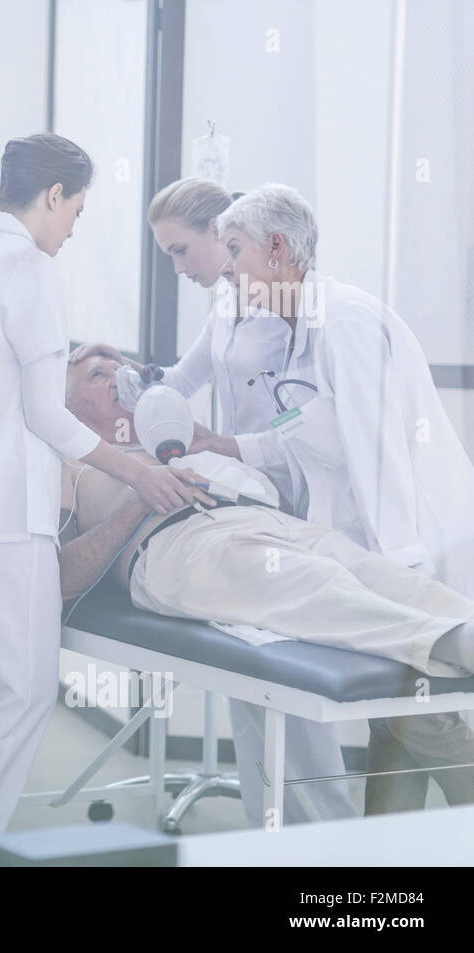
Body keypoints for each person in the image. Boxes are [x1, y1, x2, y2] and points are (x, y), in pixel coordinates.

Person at [0, 133, 204, 829]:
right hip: (8, 515)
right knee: (18, 694)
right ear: (53, 195)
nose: (75, 228)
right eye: (76, 210)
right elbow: (45, 411)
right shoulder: (32, 268)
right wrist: (138, 471)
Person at [61, 352, 474, 821]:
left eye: (122, 366)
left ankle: (460, 627)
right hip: (183, 544)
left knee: (382, 576)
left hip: (269, 522)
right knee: (314, 585)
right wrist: (141, 500)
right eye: (97, 373)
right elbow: (62, 578)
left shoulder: (174, 438)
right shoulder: (69, 467)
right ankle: (453, 642)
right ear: (66, 407)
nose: (118, 375)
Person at [70, 177, 353, 824]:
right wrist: (121, 377)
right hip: (246, 489)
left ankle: (331, 827)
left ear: (216, 234)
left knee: (294, 676)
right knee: (248, 689)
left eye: (180, 251)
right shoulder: (225, 310)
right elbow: (177, 381)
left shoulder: (290, 308)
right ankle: (266, 830)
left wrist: (231, 444)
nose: (178, 267)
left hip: (296, 490)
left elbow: (307, 417)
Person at [189, 183, 474, 814]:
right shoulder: (295, 331)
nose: (225, 268)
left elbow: (379, 459)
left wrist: (399, 570)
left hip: (409, 549)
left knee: (421, 721)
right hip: (365, 552)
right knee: (396, 724)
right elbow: (309, 441)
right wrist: (227, 447)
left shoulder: (342, 322)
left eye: (233, 250)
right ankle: (377, 865)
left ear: (278, 248)